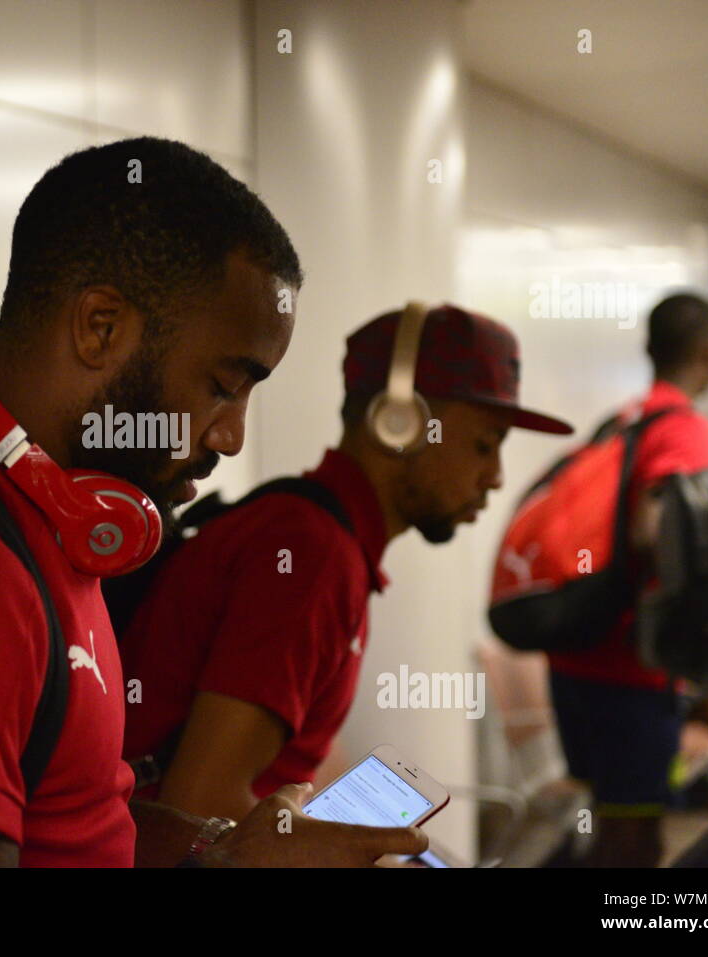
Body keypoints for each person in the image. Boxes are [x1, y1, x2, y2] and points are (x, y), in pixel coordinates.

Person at [0, 136, 427, 867]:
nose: (233, 435)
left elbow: (76, 814)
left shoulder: (26, 514)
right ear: (99, 328)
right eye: (222, 385)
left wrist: (223, 851)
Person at [119, 304, 573, 821]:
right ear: (398, 423)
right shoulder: (312, 555)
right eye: (483, 444)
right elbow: (198, 807)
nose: (494, 477)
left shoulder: (304, 531)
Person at [546, 292, 708, 868]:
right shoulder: (684, 431)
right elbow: (656, 532)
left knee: (613, 822)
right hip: (631, 669)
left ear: (649, 348)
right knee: (635, 842)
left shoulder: (620, 421)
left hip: (575, 654)